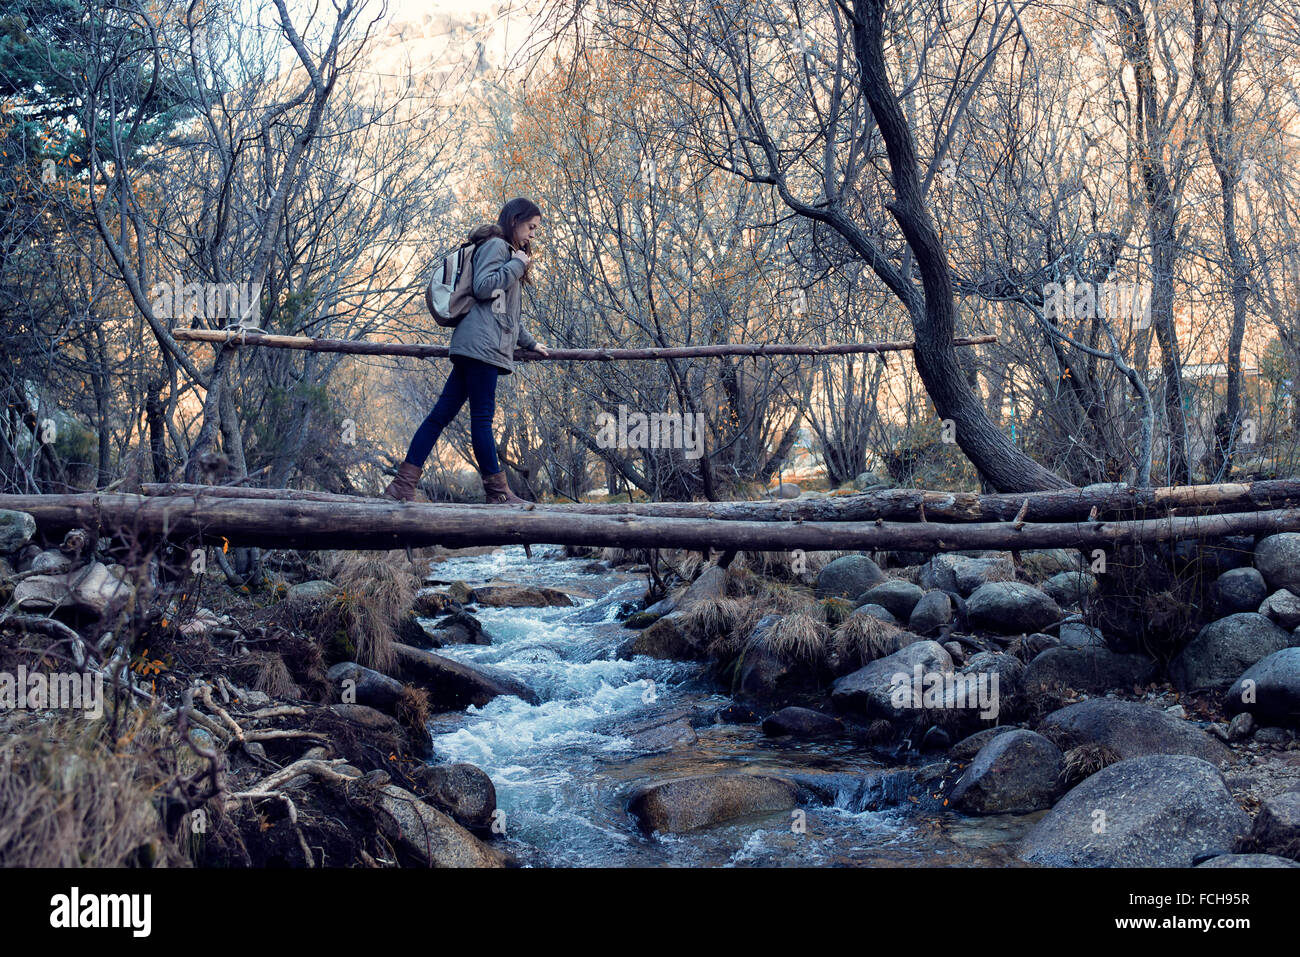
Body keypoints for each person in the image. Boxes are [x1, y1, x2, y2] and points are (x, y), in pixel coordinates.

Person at [384, 197, 548, 503]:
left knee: (439, 417)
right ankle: (497, 494)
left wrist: (530, 342)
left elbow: (504, 312)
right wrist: (516, 264)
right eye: (531, 227)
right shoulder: (498, 247)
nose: (533, 235)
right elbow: (485, 288)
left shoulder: (506, 252)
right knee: (482, 420)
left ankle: (402, 484)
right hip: (482, 347)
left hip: (476, 344)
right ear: (515, 220)